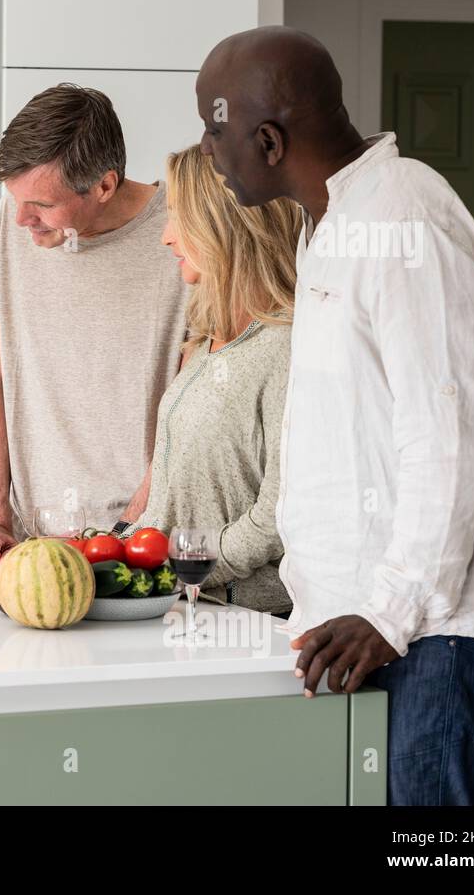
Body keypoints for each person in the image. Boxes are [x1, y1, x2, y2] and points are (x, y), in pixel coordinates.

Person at [195, 26, 474, 804]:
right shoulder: (332, 224)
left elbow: (452, 441)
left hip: (442, 631)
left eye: (215, 128)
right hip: (383, 627)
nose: (208, 150)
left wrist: (389, 612)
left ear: (267, 141)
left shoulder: (402, 220)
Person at [0, 84, 188, 565]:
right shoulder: (15, 220)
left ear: (104, 185)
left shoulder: (183, 234)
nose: (22, 219)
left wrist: (126, 534)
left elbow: (188, 413)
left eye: (41, 204)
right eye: (13, 199)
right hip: (32, 547)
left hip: (141, 547)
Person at [127, 145, 301, 616]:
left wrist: (185, 565)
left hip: (252, 620)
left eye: (179, 217)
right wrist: (118, 546)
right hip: (186, 605)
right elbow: (169, 495)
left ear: (223, 225)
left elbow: (278, 517)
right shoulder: (204, 342)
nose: (166, 237)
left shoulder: (288, 346)